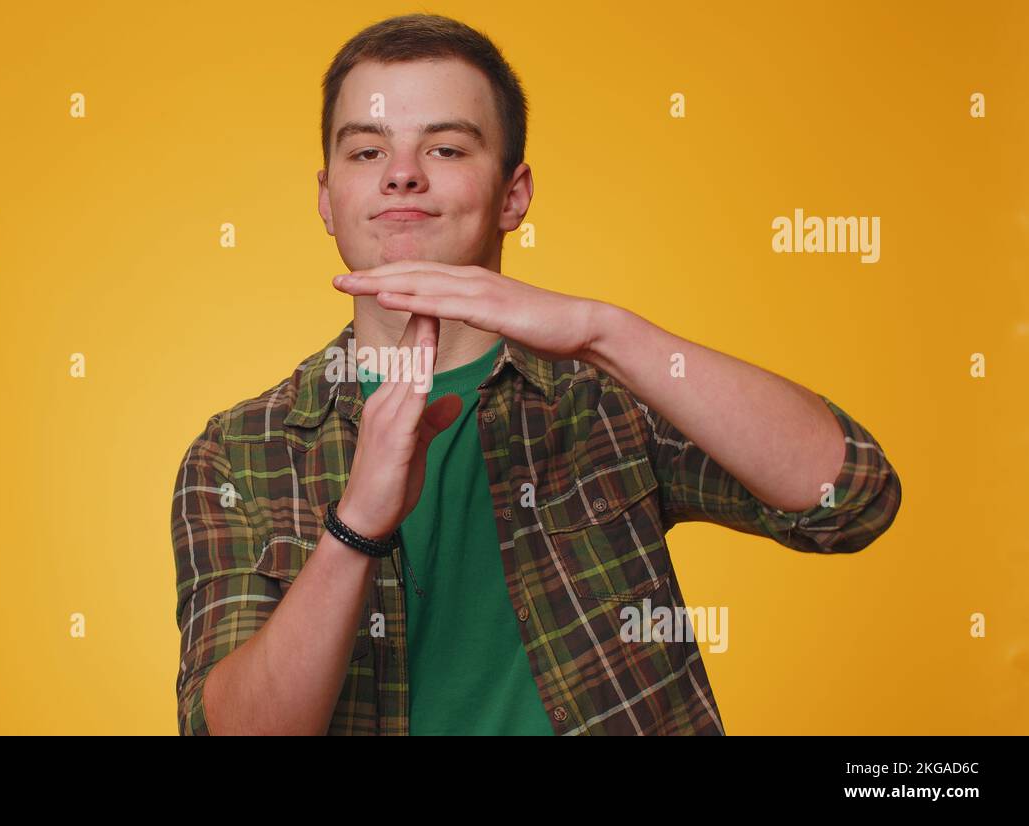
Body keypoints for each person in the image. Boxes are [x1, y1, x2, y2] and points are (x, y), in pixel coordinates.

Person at [171, 13, 902, 735]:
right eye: (367, 152)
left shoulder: (609, 395)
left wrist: (601, 330)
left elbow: (852, 497)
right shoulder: (241, 452)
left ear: (513, 196)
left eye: (447, 148)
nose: (401, 174)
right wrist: (355, 524)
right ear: (328, 199)